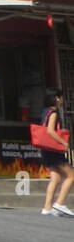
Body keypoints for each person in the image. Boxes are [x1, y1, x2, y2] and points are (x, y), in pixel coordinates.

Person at [37, 89, 74, 217]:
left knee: (56, 177)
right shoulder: (53, 112)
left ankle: (47, 207)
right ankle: (60, 203)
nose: (62, 100)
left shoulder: (44, 112)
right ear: (57, 98)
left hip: (45, 150)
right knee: (71, 175)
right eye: (61, 97)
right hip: (53, 150)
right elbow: (50, 131)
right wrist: (63, 143)